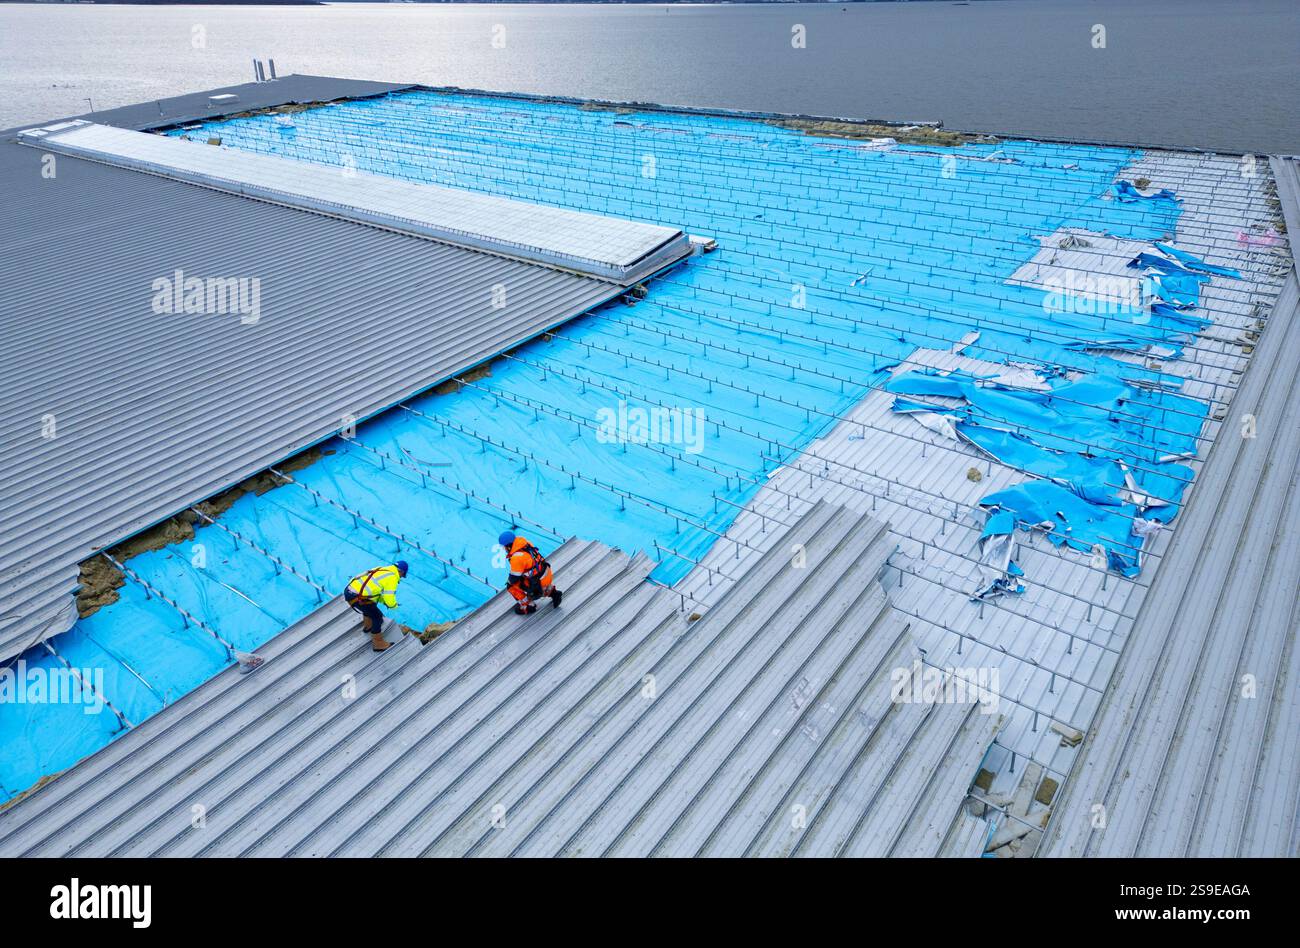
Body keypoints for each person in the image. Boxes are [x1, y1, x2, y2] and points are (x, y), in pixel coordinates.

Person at [344, 561, 408, 651]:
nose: (401, 577)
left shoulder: (381, 569)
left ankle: (368, 626)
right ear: (401, 572)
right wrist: (394, 606)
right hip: (357, 598)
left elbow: (375, 593)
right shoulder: (392, 578)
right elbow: (389, 597)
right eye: (402, 575)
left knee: (370, 605)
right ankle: (378, 643)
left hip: (350, 591)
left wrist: (383, 601)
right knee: (377, 617)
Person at [498, 531, 562, 615]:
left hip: (538, 582)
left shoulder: (517, 558)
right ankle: (553, 592)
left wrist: (510, 581)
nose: (504, 549)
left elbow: (513, 578)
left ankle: (528, 605)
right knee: (534, 578)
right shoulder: (525, 543)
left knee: (511, 586)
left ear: (509, 546)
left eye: (504, 547)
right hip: (546, 574)